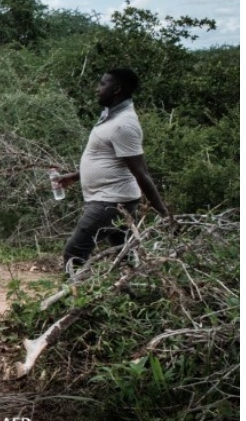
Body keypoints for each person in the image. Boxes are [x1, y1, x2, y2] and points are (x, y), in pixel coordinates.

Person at [55, 68, 171, 273]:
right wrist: (75, 176)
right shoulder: (111, 116)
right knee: (124, 253)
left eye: (102, 84)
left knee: (74, 251)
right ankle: (132, 292)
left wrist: (163, 212)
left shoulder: (124, 124)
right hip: (114, 198)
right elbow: (107, 157)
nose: (97, 89)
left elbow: (141, 172)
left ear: (116, 88)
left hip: (111, 201)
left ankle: (70, 300)